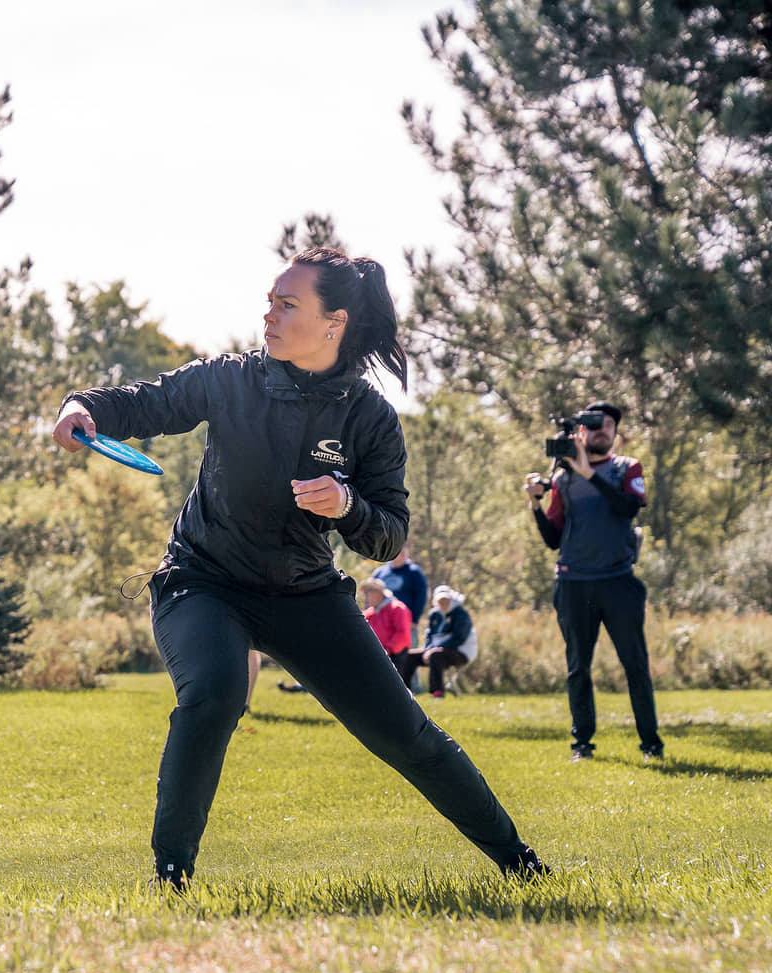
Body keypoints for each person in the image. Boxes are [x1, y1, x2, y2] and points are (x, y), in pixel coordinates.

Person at [51, 245, 545, 887]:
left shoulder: (370, 418)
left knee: (404, 733)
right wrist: (80, 407)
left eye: (288, 304)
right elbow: (145, 403)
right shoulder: (230, 379)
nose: (270, 315)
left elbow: (388, 537)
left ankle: (521, 863)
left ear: (334, 322)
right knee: (215, 696)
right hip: (203, 582)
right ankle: (171, 875)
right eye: (270, 301)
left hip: (306, 596)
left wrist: (346, 505)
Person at [524, 403, 663, 761]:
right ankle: (581, 744)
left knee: (635, 665)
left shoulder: (625, 468)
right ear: (580, 433)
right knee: (577, 668)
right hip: (573, 585)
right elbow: (554, 539)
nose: (601, 430)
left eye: (608, 426)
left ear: (615, 433)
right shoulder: (563, 478)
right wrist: (536, 505)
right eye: (594, 426)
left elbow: (627, 508)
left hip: (618, 582)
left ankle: (651, 744)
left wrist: (589, 473)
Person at [372, 546, 427, 683]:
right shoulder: (380, 572)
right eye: (397, 553)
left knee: (408, 654)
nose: (400, 556)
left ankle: (412, 685)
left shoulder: (414, 572)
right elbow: (371, 594)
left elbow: (421, 596)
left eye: (403, 553)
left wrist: (415, 618)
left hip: (405, 621)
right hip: (383, 622)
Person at [418, 584, 476, 698]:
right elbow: (429, 635)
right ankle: (405, 690)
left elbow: (459, 638)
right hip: (436, 650)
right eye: (440, 600)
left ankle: (437, 692)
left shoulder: (460, 614)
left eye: (446, 600)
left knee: (435, 656)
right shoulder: (434, 614)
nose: (443, 603)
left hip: (460, 652)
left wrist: (435, 649)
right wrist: (428, 649)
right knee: (409, 656)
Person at [360, 577, 413, 682]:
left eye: (369, 592)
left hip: (395, 654)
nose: (367, 597)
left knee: (393, 684)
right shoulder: (369, 613)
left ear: (379, 593)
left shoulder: (397, 608)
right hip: (376, 654)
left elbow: (402, 634)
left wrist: (387, 650)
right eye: (366, 593)